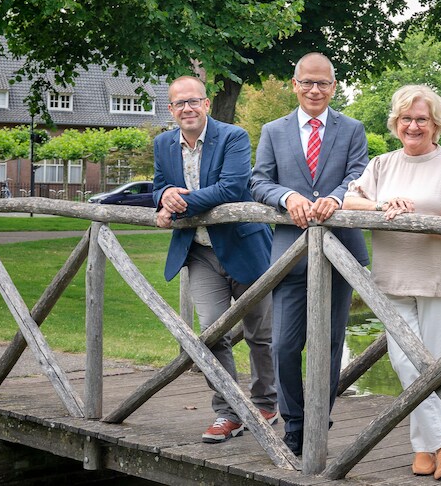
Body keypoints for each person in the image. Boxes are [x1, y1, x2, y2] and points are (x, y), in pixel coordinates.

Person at [342, 84, 441, 480]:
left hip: (438, 280)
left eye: (421, 119)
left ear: (435, 125)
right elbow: (351, 200)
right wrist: (385, 205)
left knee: (432, 368)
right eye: (406, 119)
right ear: (396, 123)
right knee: (406, 364)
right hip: (392, 279)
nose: (413, 126)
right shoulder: (383, 164)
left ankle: (422, 447)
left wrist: (415, 217)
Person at [250, 52, 370, 457]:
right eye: (308, 82)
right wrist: (287, 196)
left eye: (323, 83)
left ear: (334, 86)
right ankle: (295, 419)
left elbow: (359, 175)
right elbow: (259, 180)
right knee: (284, 343)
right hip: (289, 250)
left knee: (331, 342)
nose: (315, 90)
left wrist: (336, 199)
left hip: (341, 252)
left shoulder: (352, 128)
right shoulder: (273, 130)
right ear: (295, 84)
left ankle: (321, 415)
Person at [153, 76, 278, 443]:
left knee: (261, 333)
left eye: (194, 101)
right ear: (171, 109)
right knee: (210, 334)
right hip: (200, 252)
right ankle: (229, 412)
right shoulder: (163, 143)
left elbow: (233, 187)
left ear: (206, 104)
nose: (188, 109)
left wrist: (176, 205)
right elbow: (160, 184)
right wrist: (164, 196)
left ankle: (266, 404)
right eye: (180, 104)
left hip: (245, 246)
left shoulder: (233, 137)